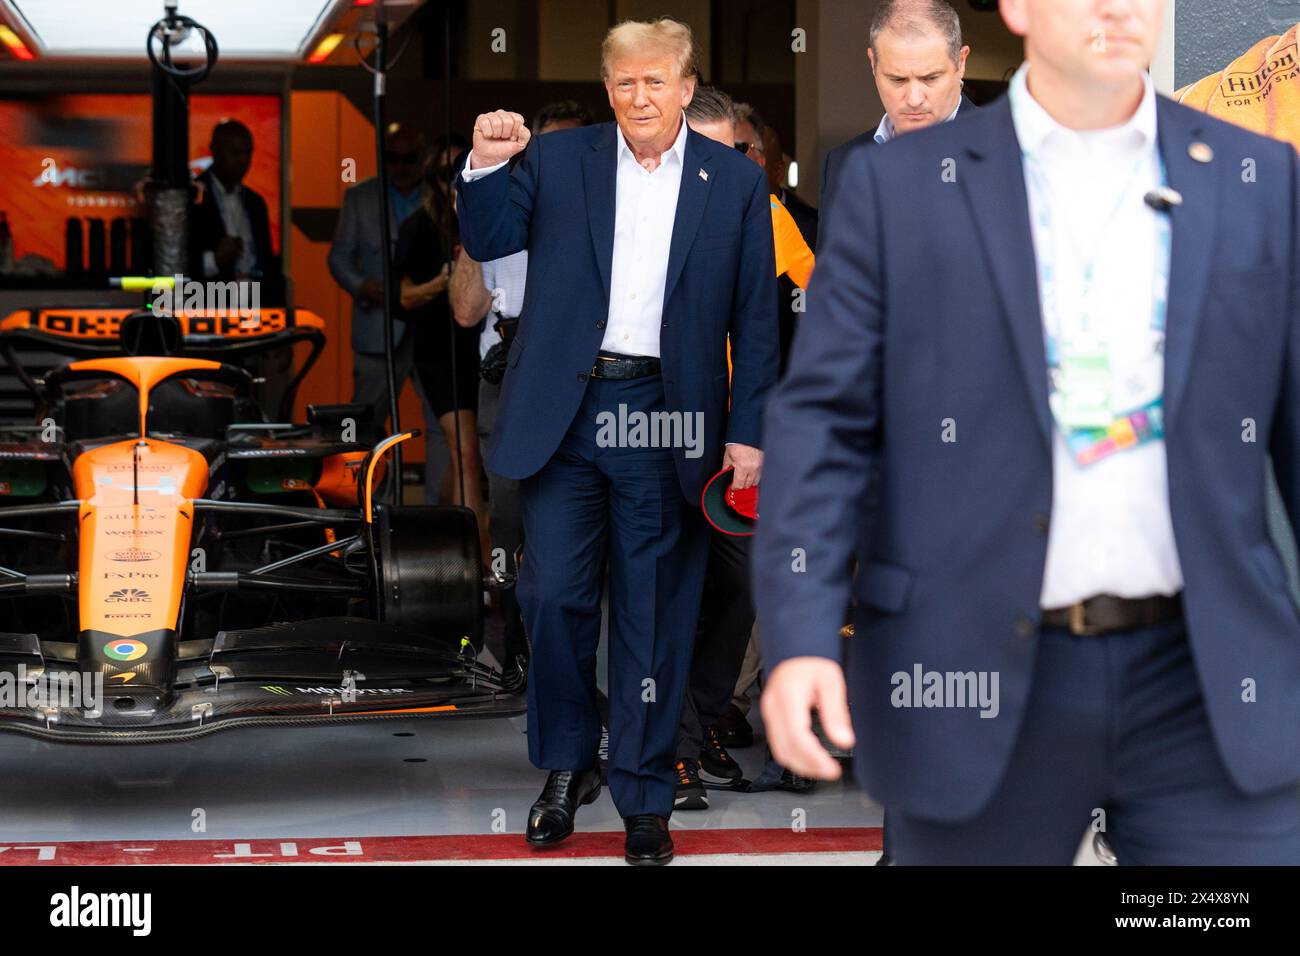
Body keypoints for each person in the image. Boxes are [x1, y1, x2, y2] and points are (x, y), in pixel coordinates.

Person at [755, 0, 1300, 865]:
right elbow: (826, 422)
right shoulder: (897, 187)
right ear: (1016, 9)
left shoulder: (1256, 177)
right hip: (966, 671)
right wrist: (801, 633)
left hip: (1205, 686)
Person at [456, 17, 778, 865]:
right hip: (567, 414)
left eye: (656, 81)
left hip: (670, 419)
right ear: (609, 90)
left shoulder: (735, 184)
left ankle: (644, 793)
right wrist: (487, 163)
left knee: (655, 612)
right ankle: (567, 765)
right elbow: (489, 239)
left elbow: (756, 314)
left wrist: (749, 433)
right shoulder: (561, 160)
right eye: (625, 82)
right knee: (552, 599)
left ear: (683, 86)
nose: (640, 96)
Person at [674, 85, 814, 811]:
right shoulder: (646, 212)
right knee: (662, 591)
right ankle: (672, 748)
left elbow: (810, 312)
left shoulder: (767, 213)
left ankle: (691, 729)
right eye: (717, 153)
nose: (735, 166)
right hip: (662, 433)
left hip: (745, 443)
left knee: (741, 587)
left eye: (742, 152)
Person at [450, 100, 596, 676]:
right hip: (511, 361)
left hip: (585, 363)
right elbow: (464, 312)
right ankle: (510, 644)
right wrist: (471, 214)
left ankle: (577, 660)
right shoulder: (504, 204)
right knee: (509, 511)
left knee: (581, 512)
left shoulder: (604, 212)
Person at [395, 134, 489, 563]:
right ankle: (482, 563)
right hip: (437, 350)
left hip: (481, 349)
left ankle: (451, 551)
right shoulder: (418, 225)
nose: (451, 180)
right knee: (466, 451)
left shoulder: (485, 217)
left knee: (464, 456)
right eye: (442, 172)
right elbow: (403, 297)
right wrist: (444, 280)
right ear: (431, 178)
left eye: (461, 169)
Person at [820, 0, 975, 213]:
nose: (914, 99)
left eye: (930, 78)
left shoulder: (1007, 151)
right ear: (873, 64)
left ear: (961, 62)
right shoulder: (841, 163)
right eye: (897, 79)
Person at [190, 119, 288, 415]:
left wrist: (280, 324)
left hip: (253, 312)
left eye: (248, 152)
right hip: (208, 311)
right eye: (235, 152)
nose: (243, 161)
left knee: (251, 395)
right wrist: (213, 260)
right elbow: (171, 267)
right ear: (215, 152)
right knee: (211, 394)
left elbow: (269, 265)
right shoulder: (191, 195)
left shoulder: (255, 202)